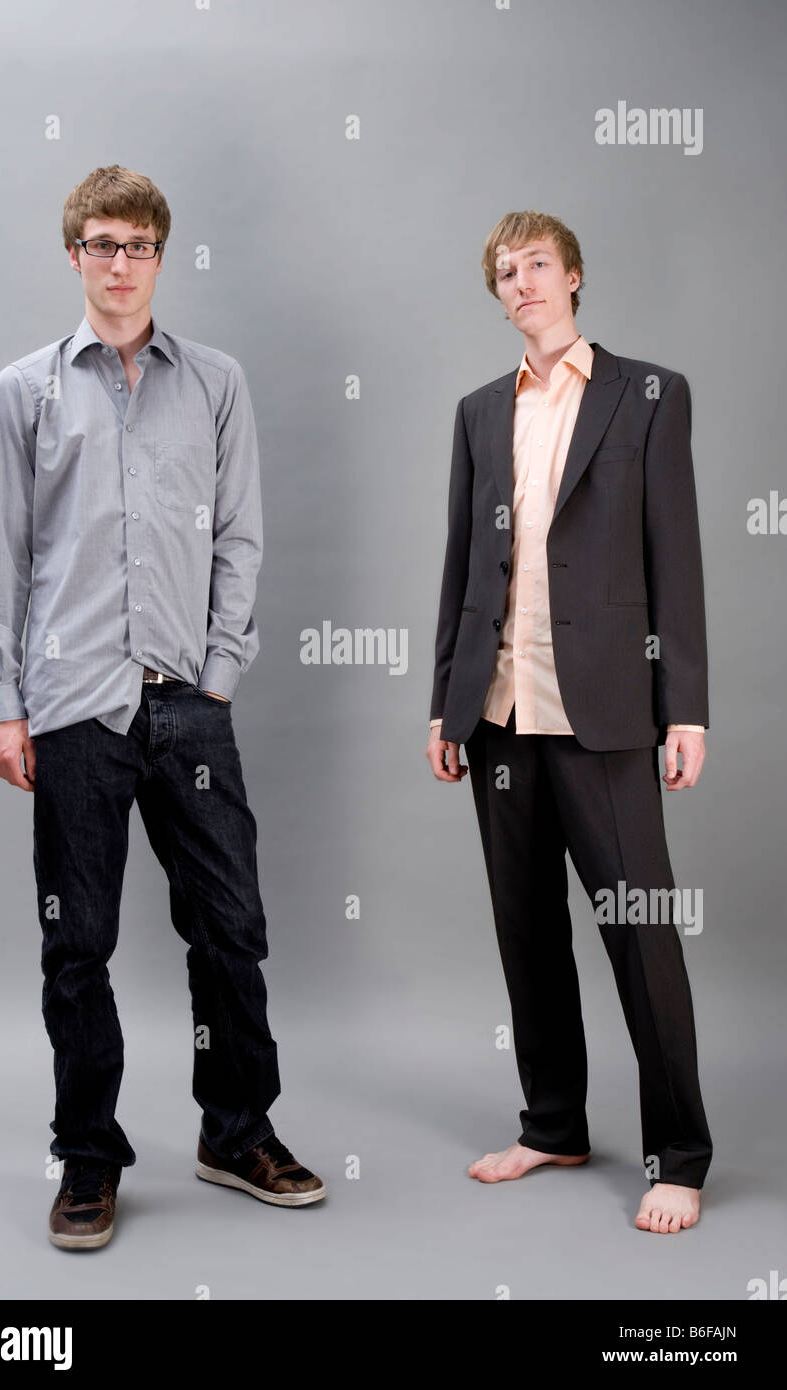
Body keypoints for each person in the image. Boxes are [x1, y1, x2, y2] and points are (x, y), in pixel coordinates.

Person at [0, 164, 325, 1250]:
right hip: (73, 704)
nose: (118, 264)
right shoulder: (23, 389)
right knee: (75, 944)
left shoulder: (213, 381)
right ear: (73, 253)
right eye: (99, 244)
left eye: (136, 246)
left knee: (229, 928)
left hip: (188, 706)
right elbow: (5, 552)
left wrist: (219, 673)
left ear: (161, 258)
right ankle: (87, 1155)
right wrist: (4, 700)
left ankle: (236, 1129)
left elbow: (240, 535)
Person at [426, 210, 712, 1235]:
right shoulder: (475, 411)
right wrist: (443, 703)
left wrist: (684, 708)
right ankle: (551, 1122)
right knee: (527, 933)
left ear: (573, 275)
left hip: (607, 714)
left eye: (534, 264)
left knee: (637, 934)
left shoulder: (645, 395)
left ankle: (677, 1152)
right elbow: (464, 568)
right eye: (503, 272)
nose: (519, 282)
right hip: (500, 715)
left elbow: (672, 557)